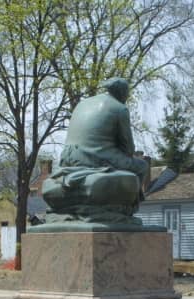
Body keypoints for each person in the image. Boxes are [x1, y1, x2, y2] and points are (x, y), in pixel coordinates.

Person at [41, 78, 148, 225]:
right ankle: (129, 209)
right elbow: (128, 149)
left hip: (68, 159)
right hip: (96, 157)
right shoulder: (120, 108)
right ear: (122, 92)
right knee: (141, 166)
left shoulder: (82, 104)